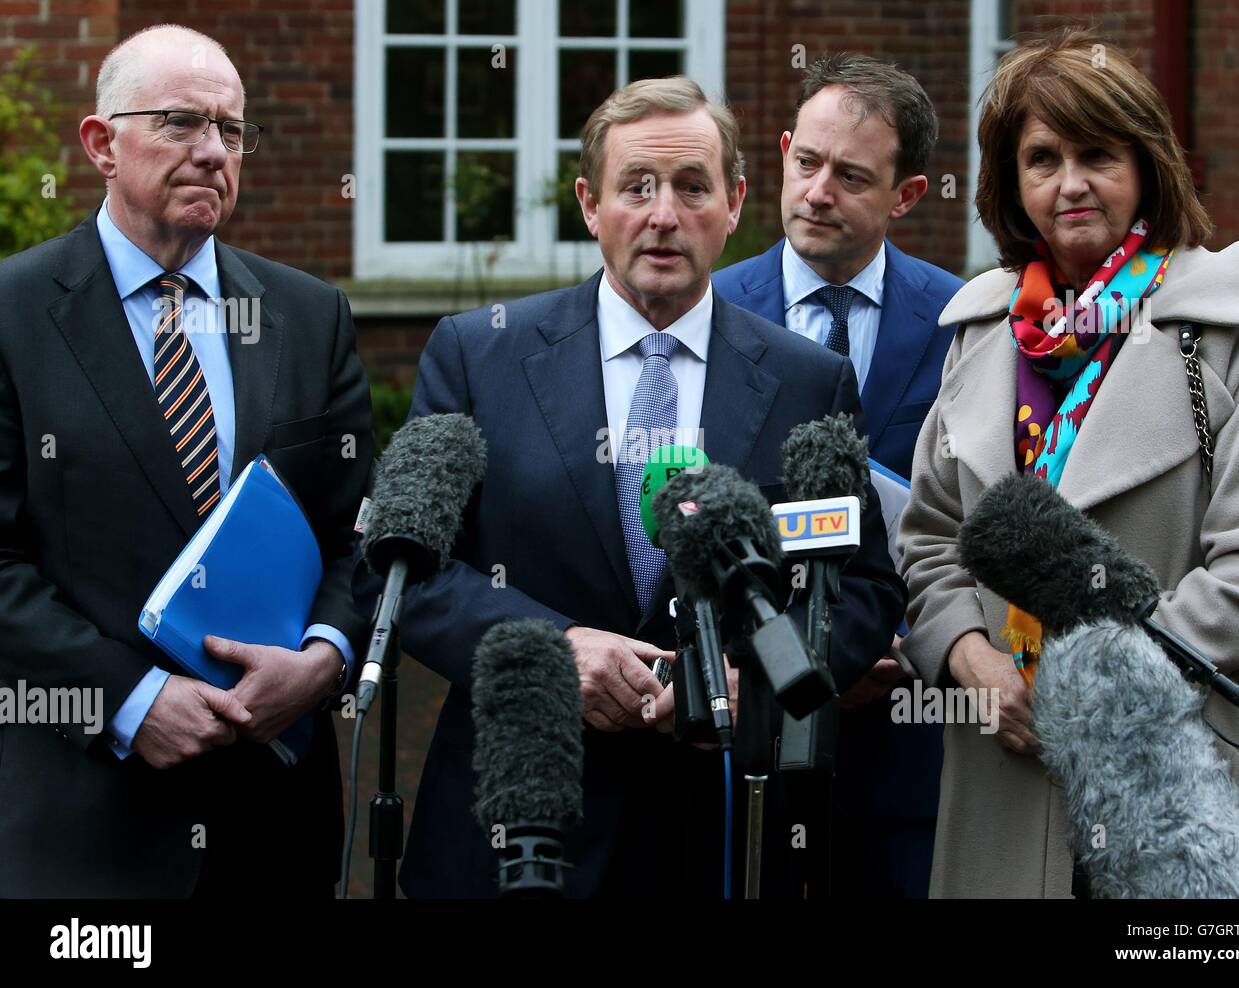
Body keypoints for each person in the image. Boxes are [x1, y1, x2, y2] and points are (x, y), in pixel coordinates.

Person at [355, 76, 907, 898]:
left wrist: (750, 670)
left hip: (717, 829)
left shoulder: (806, 381)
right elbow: (401, 571)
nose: (662, 215)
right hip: (517, 819)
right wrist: (554, 650)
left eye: (692, 187)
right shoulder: (480, 355)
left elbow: (859, 586)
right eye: (636, 188)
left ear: (734, 202)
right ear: (590, 203)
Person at [898, 28, 1239, 898]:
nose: (1070, 183)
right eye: (1042, 158)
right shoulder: (979, 331)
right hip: (1004, 778)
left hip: (1182, 777)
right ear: (1012, 183)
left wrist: (1091, 694)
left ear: (1147, 166)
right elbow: (930, 542)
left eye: (1097, 154)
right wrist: (973, 664)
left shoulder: (1238, 328)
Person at [0, 24, 373, 897]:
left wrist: (322, 658)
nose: (213, 151)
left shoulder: (308, 316)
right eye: (180, 122)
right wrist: (129, 702)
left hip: (274, 823)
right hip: (84, 829)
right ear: (100, 143)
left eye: (231, 130)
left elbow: (358, 535)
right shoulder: (13, 316)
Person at [713, 52, 961, 898]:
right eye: (806, 162)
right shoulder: (707, 315)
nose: (817, 192)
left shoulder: (967, 326)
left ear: (907, 195)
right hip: (739, 749)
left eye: (851, 176)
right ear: (782, 153)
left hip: (905, 743)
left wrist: (916, 648)